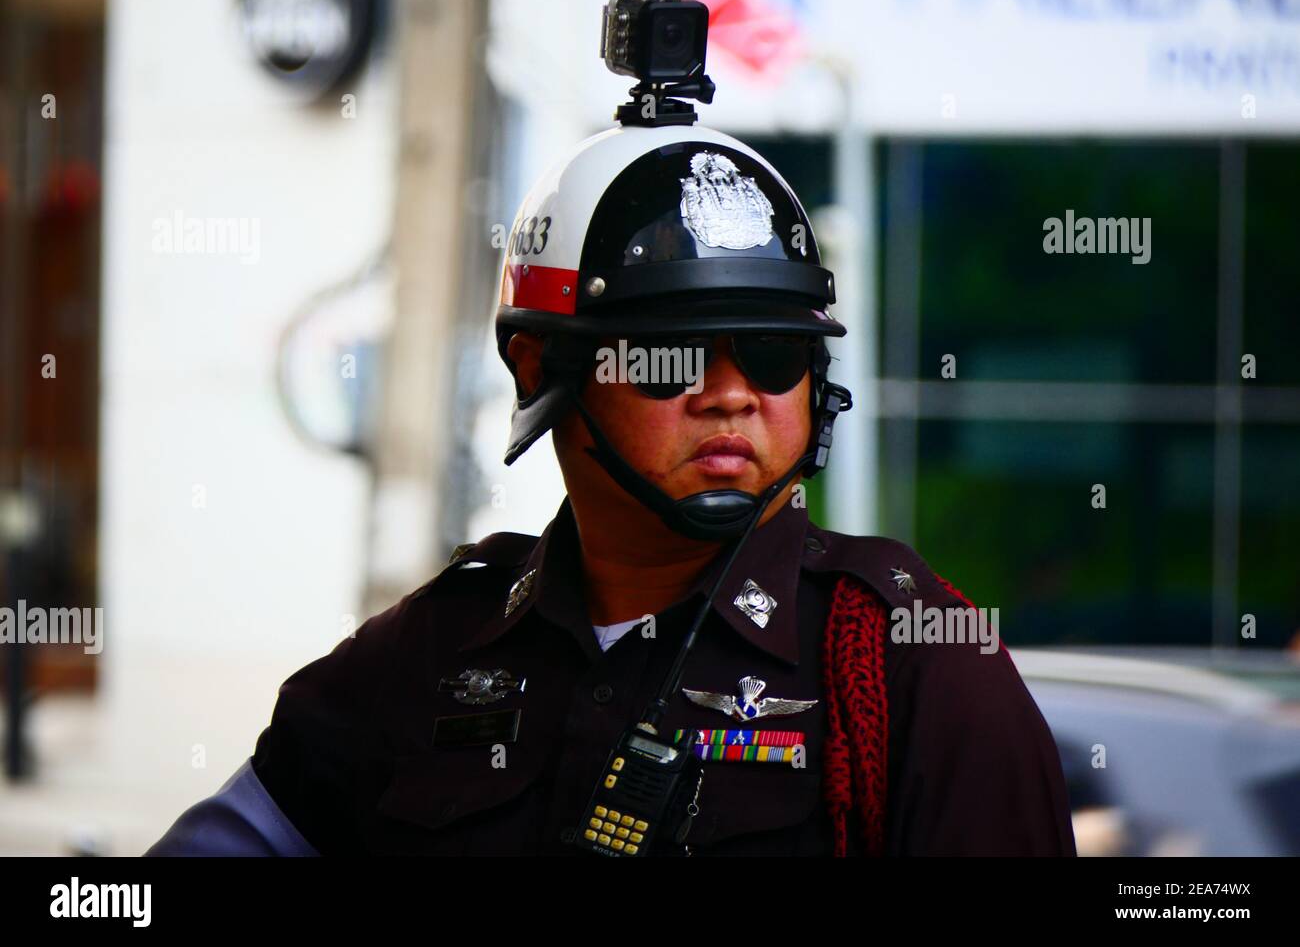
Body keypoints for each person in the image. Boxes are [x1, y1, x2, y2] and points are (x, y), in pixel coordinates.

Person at [146, 89, 1076, 860]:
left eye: (771, 351)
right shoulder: (433, 649)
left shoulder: (916, 660)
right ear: (539, 367)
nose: (731, 395)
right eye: (669, 355)